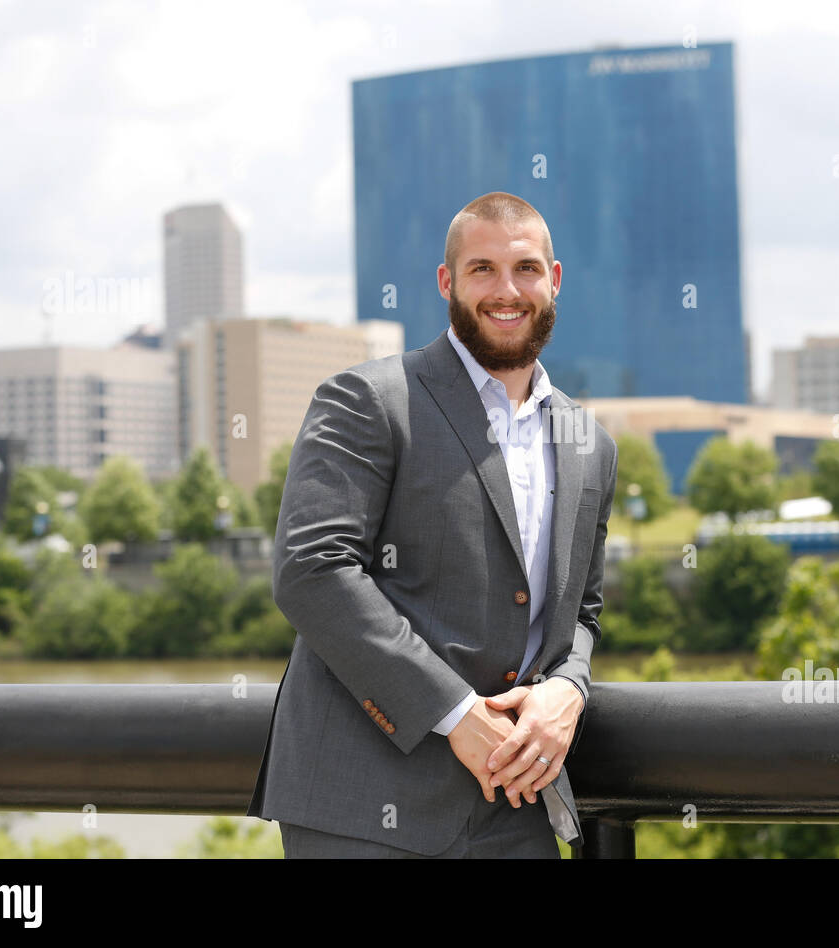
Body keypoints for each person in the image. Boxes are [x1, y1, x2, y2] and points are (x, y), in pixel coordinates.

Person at [246, 191, 618, 858]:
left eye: (527, 268)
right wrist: (455, 712)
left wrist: (569, 687)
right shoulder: (367, 400)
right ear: (448, 283)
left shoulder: (590, 441)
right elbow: (312, 573)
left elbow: (583, 613)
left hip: (515, 806)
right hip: (362, 809)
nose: (508, 290)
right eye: (482, 270)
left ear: (554, 280)